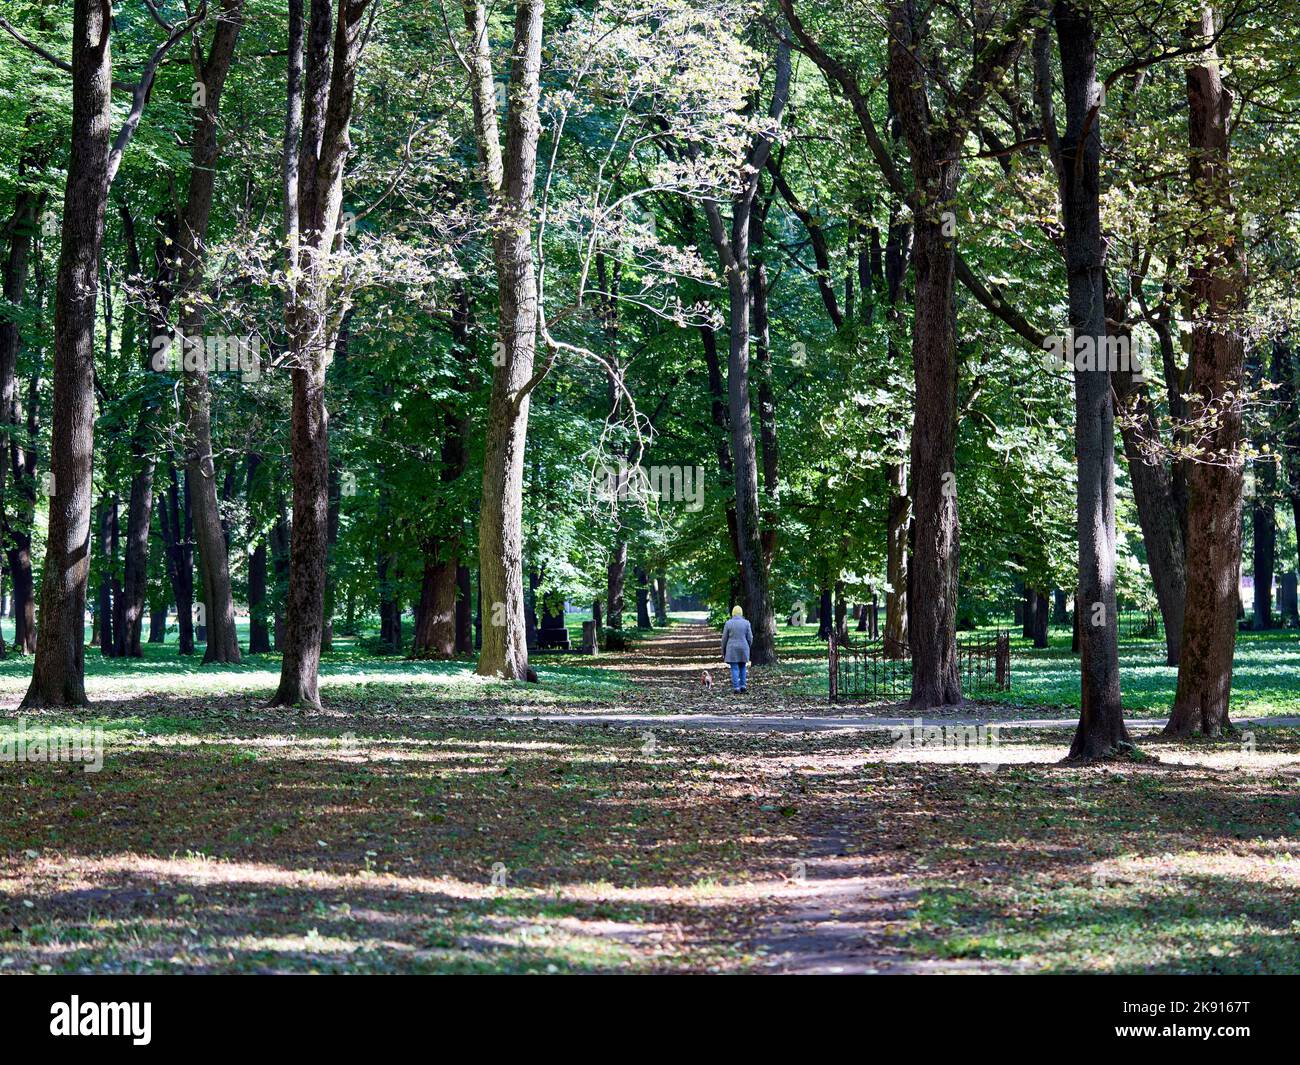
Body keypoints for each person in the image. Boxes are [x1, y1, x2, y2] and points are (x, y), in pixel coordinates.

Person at [721, 605, 753, 693]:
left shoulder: (728, 623)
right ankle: (743, 685)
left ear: (733, 613)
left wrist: (723, 650)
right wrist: (748, 646)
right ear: (741, 613)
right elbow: (750, 637)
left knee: (734, 668)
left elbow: (724, 638)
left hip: (732, 649)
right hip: (743, 648)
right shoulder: (747, 623)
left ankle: (736, 688)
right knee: (742, 667)